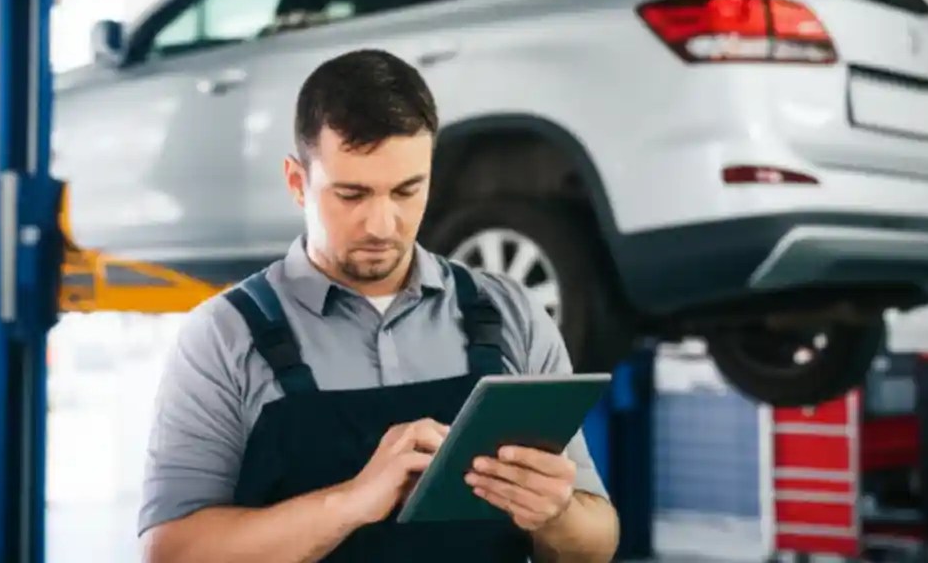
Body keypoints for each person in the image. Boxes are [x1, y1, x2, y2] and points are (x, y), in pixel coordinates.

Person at [138, 49, 620, 562]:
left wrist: (558, 514)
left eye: (407, 190)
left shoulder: (512, 318)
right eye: (352, 195)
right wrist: (349, 503)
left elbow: (597, 543)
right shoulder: (222, 338)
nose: (382, 225)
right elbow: (169, 555)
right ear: (298, 182)